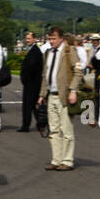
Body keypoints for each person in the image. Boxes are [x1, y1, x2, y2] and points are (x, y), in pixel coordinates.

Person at [38, 27, 79, 170]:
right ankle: (56, 159)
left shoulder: (69, 51)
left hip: (64, 95)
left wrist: (73, 90)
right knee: (54, 130)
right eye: (49, 39)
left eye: (54, 38)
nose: (51, 41)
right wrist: (42, 94)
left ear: (61, 38)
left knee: (66, 129)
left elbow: (78, 72)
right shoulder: (48, 53)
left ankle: (67, 160)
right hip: (51, 95)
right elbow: (45, 75)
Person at [18, 31, 43, 131]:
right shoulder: (33, 50)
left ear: (34, 39)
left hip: (32, 82)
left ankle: (26, 125)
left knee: (28, 105)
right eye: (26, 38)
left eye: (29, 38)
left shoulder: (35, 51)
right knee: (33, 105)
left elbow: (31, 67)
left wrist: (24, 78)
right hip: (32, 82)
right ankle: (40, 123)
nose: (27, 40)